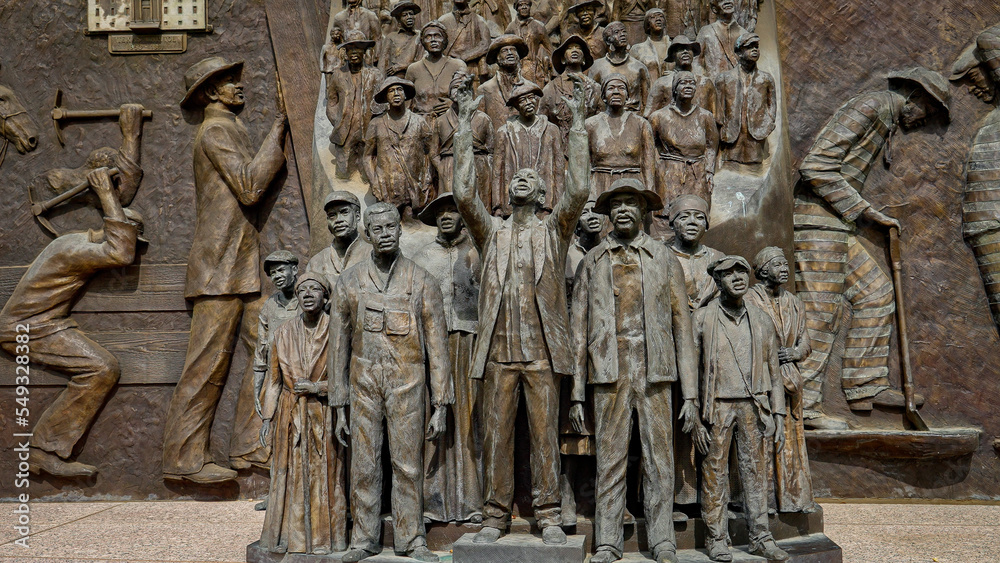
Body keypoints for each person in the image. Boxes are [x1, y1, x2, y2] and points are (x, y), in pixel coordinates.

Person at [451, 73, 590, 546]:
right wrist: (465, 127)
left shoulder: (554, 232)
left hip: (542, 353)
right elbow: (464, 196)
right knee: (496, 436)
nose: (519, 179)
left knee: (544, 437)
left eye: (529, 177)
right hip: (499, 352)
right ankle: (495, 515)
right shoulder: (492, 234)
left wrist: (578, 128)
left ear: (542, 191)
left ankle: (548, 513)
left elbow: (578, 191)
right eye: (514, 178)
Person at [793, 67, 948, 429]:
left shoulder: (884, 117)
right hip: (817, 225)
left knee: (876, 294)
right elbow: (815, 167)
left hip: (836, 224)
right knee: (819, 315)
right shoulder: (870, 107)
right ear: (915, 97)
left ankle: (864, 385)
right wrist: (867, 212)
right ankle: (804, 408)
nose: (926, 120)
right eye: (929, 110)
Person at [164, 57, 287, 484]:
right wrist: (277, 132)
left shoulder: (230, 127)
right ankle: (182, 457)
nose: (239, 86)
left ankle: (250, 446)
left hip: (242, 266)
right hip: (219, 267)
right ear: (210, 92)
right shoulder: (215, 130)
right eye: (228, 82)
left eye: (236, 79)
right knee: (207, 363)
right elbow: (250, 187)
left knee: (268, 349)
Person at [569, 180, 698, 563]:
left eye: (631, 203)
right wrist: (577, 391)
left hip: (656, 371)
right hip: (609, 371)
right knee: (610, 459)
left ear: (643, 211)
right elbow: (578, 330)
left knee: (660, 460)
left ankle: (662, 541)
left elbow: (682, 328)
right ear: (607, 213)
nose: (623, 209)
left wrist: (689, 393)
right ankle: (607, 540)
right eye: (617, 204)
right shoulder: (591, 261)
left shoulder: (663, 257)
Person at [329, 202, 453, 563]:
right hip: (363, 386)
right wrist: (339, 405)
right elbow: (338, 347)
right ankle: (363, 539)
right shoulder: (349, 282)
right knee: (364, 465)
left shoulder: (422, 281)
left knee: (408, 465)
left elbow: (438, 348)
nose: (385, 234)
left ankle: (411, 539)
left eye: (390, 227)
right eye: (377, 228)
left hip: (408, 386)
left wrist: (441, 403)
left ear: (400, 230)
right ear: (367, 233)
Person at [0, 167, 143, 478]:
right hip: (27, 329)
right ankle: (43, 451)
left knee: (102, 367)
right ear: (114, 228)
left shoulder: (77, 243)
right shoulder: (74, 250)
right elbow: (121, 255)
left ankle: (44, 449)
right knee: (101, 369)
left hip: (47, 323)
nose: (133, 247)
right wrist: (106, 194)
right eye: (130, 236)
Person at [694, 255, 789, 563]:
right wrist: (694, 414)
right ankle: (717, 538)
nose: (737, 278)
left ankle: (761, 537)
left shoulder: (761, 320)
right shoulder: (703, 317)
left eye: (742, 272)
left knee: (756, 474)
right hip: (716, 408)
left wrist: (779, 415)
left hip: (754, 407)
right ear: (718, 281)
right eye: (728, 273)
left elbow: (774, 371)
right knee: (714, 475)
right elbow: (690, 371)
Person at [258, 274, 346, 555]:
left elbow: (349, 377)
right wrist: (267, 418)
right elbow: (273, 381)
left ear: (326, 297)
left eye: (314, 289)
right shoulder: (282, 333)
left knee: (325, 478)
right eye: (302, 290)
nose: (307, 294)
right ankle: (289, 539)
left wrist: (319, 387)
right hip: (290, 412)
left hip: (325, 412)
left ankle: (324, 540)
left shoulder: (338, 331)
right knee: (290, 476)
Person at [413, 192, 484, 523]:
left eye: (451, 210)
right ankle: (433, 503)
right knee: (434, 425)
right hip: (432, 346)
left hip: (469, 341)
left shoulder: (478, 252)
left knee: (471, 424)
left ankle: (473, 503)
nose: (445, 216)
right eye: (439, 212)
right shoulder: (423, 256)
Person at [746, 247, 817, 514]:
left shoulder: (795, 303)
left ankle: (792, 498)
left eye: (786, 264)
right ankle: (764, 502)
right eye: (777, 264)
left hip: (789, 380)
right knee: (763, 438)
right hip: (761, 379)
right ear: (763, 270)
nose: (784, 269)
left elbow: (806, 342)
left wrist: (796, 352)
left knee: (790, 441)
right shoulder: (749, 299)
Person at [233, 251, 300, 476]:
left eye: (281, 270)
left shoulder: (308, 298)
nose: (277, 276)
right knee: (278, 437)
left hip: (306, 380)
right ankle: (277, 494)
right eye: (273, 273)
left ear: (295, 269)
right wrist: (257, 388)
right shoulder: (270, 305)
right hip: (277, 382)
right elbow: (262, 350)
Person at [953, 25, 1000, 338]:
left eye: (973, 78)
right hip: (989, 228)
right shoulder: (989, 130)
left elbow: (989, 38)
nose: (971, 89)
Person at [492, 80, 565, 215]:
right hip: (513, 203)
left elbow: (559, 170)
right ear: (516, 106)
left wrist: (558, 204)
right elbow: (497, 171)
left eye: (532, 98)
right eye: (523, 100)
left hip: (544, 205)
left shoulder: (551, 130)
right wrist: (497, 206)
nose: (529, 103)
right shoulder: (504, 132)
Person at [649, 71, 719, 212]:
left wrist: (709, 172)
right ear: (674, 88)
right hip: (669, 173)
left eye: (692, 83)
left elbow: (711, 146)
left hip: (697, 173)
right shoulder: (658, 117)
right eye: (683, 83)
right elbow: (650, 147)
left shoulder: (706, 116)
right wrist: (657, 172)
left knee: (697, 213)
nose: (688, 87)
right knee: (667, 216)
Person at [364, 76, 433, 216]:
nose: (396, 94)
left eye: (399, 90)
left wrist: (427, 180)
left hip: (413, 187)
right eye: (391, 91)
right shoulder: (376, 124)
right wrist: (374, 182)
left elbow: (430, 153)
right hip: (387, 186)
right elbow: (367, 156)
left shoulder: (419, 122)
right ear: (385, 97)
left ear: (405, 94)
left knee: (412, 222)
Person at [326, 31, 384, 180]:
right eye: (350, 49)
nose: (353, 53)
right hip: (345, 131)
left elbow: (382, 103)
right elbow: (331, 102)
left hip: (368, 130)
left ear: (364, 51)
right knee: (342, 172)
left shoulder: (375, 74)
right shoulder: (338, 74)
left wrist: (375, 125)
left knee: (368, 173)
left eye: (357, 49)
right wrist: (338, 121)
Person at [431, 72, 495, 207]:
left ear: (470, 92)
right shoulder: (440, 121)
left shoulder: (483, 119)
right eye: (455, 87)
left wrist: (485, 167)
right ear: (449, 92)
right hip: (450, 164)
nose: (459, 90)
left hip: (477, 164)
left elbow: (492, 150)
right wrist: (442, 167)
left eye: (464, 87)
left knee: (478, 205)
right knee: (451, 205)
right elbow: (433, 152)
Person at [585, 74, 655, 197]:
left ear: (628, 96)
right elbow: (584, 165)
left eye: (621, 88)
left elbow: (648, 166)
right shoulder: (590, 124)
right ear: (603, 96)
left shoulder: (641, 124)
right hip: (599, 185)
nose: (616, 92)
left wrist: (648, 193)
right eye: (611, 88)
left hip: (633, 186)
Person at [715, 33, 775, 164]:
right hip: (730, 135)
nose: (754, 50)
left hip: (756, 134)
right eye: (749, 47)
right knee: (730, 166)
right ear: (739, 52)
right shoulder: (724, 79)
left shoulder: (766, 79)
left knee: (754, 165)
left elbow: (772, 106)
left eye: (756, 47)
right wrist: (722, 128)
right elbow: (718, 109)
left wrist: (768, 123)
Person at [540, 35, 604, 148]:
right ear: (563, 59)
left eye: (578, 48)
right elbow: (541, 123)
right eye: (570, 48)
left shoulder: (595, 88)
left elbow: (602, 123)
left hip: (587, 148)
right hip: (558, 147)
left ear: (584, 59)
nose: (574, 50)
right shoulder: (550, 89)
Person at [306, 191, 373, 290]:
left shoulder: (374, 255)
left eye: (344, 212)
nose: (338, 220)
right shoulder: (316, 262)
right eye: (332, 215)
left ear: (357, 216)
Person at [406, 21, 468, 119]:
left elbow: (467, 97)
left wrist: (454, 104)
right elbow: (407, 104)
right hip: (422, 123)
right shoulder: (413, 69)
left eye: (437, 36)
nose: (433, 40)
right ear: (422, 42)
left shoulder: (457, 65)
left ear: (445, 40)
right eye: (428, 37)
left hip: (451, 121)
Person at [645, 35, 716, 118]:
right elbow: (650, 116)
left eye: (688, 48)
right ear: (673, 55)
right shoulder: (662, 83)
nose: (685, 51)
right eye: (680, 49)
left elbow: (715, 117)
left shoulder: (706, 83)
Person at [588, 22, 650, 113]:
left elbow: (646, 102)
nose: (622, 35)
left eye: (624, 31)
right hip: (605, 117)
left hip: (633, 117)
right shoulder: (597, 67)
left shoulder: (639, 67)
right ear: (608, 40)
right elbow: (590, 99)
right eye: (616, 32)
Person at [478, 34, 529, 131]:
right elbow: (480, 124)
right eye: (504, 51)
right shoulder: (485, 89)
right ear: (497, 57)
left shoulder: (529, 87)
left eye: (513, 50)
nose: (510, 53)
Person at [440, 0, 493, 85]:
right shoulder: (443, 20)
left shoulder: (479, 20)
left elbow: (485, 44)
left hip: (471, 67)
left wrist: (465, 56)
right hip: (448, 67)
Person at [506, 0, 555, 86]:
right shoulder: (511, 27)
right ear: (517, 8)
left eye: (527, 5)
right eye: (521, 5)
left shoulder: (539, 26)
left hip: (535, 68)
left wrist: (553, 72)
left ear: (530, 8)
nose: (524, 7)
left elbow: (549, 48)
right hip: (517, 68)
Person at [696, 0, 747, 79]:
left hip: (737, 86)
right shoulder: (706, 32)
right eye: (721, 0)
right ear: (714, 9)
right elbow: (696, 62)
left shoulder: (744, 34)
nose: (727, 2)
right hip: (713, 85)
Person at [378, 1, 424, 78]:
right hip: (395, 79)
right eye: (404, 15)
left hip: (416, 77)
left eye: (411, 14)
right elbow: (382, 63)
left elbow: (424, 61)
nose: (409, 17)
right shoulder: (391, 37)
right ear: (398, 19)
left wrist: (403, 66)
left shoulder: (420, 36)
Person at [333, 0, 383, 65]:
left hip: (366, 57)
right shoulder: (339, 18)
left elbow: (377, 38)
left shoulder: (370, 16)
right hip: (347, 57)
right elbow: (336, 41)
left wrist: (375, 58)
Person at [629, 8, 669, 83]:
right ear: (647, 25)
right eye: (653, 17)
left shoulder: (673, 47)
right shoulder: (637, 49)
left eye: (661, 16)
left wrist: (675, 75)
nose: (658, 19)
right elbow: (631, 75)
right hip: (648, 92)